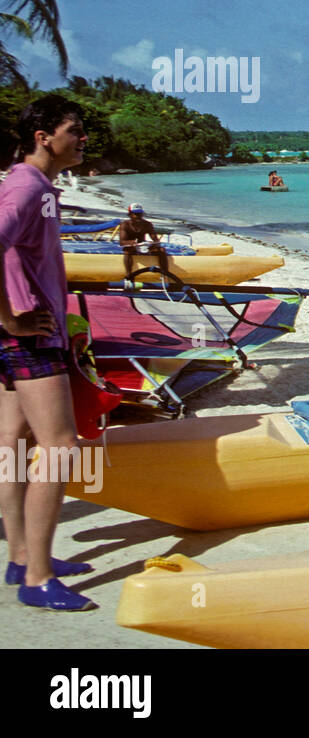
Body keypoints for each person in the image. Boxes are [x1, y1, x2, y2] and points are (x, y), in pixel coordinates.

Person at [0, 95, 96, 611]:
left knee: (11, 442)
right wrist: (9, 316)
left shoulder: (33, 186)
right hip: (29, 335)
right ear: (44, 137)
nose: (82, 138)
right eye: (74, 129)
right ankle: (37, 577)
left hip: (19, 334)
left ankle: (22, 556)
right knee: (59, 446)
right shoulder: (26, 186)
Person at [118, 202, 168, 278]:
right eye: (135, 214)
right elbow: (122, 242)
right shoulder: (125, 225)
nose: (138, 216)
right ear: (130, 215)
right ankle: (128, 275)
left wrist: (153, 244)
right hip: (131, 246)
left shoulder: (147, 224)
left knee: (162, 250)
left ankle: (165, 273)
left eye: (140, 214)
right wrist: (131, 243)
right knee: (127, 250)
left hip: (142, 246)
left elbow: (156, 240)